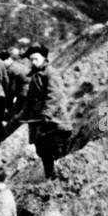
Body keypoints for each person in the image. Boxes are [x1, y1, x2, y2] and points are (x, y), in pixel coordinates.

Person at [22, 43, 72, 180]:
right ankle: (50, 179)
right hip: (40, 123)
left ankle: (62, 179)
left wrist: (46, 113)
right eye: (31, 59)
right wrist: (21, 115)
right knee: (44, 152)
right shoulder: (35, 76)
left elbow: (54, 96)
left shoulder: (51, 73)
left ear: (44, 58)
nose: (33, 62)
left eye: (36, 59)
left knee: (56, 151)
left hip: (54, 122)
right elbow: (30, 100)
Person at [4, 38, 32, 125]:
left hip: (21, 85)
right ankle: (10, 113)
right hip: (16, 83)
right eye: (21, 47)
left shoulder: (27, 60)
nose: (22, 49)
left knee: (19, 101)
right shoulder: (19, 59)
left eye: (24, 47)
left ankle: (13, 116)